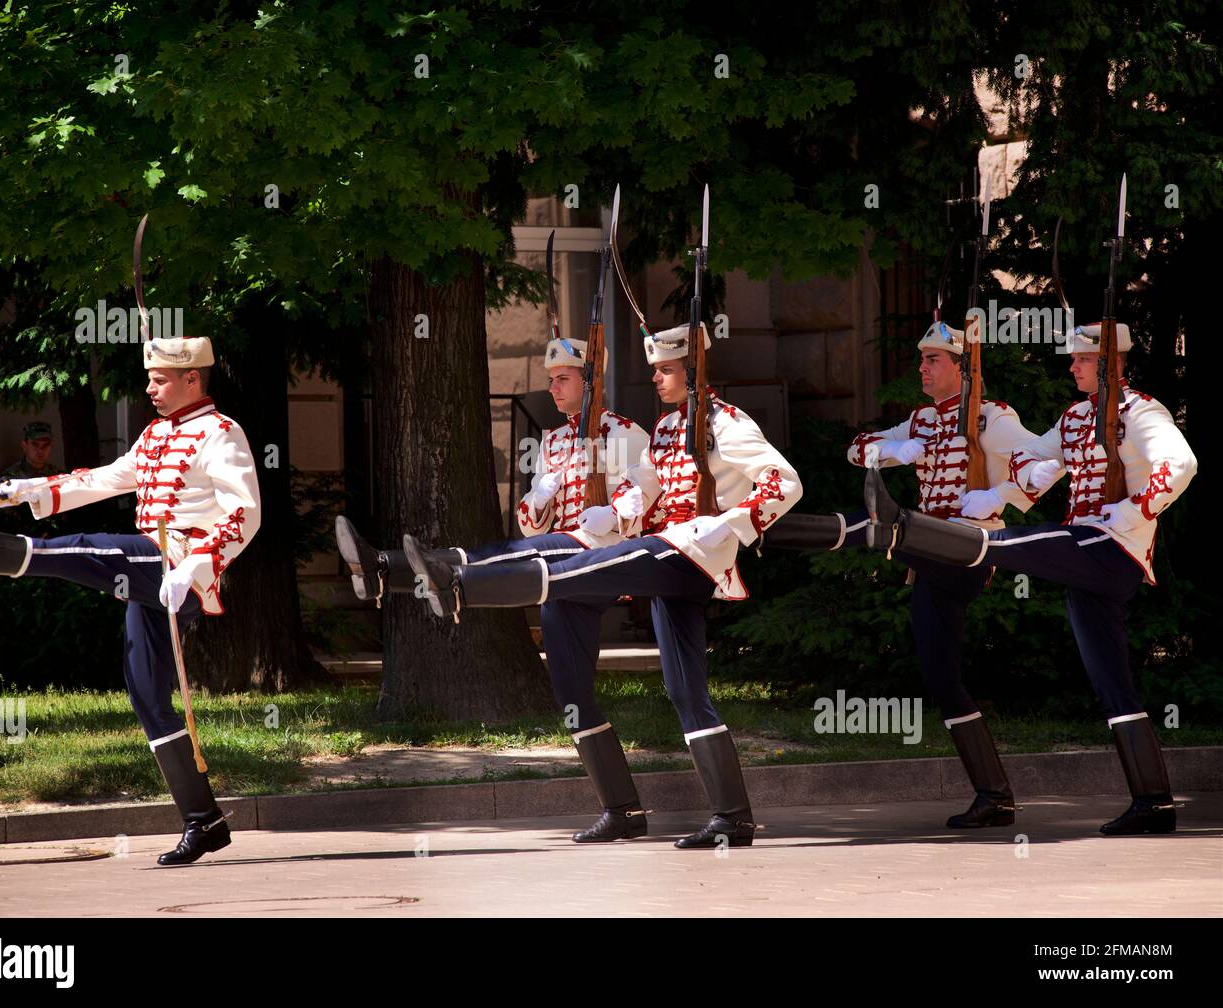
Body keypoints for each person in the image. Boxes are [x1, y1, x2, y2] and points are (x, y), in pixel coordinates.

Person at [401, 323, 802, 848]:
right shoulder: (662, 429)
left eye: (665, 369)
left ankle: (460, 587)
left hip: (694, 553)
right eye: (654, 368)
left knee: (578, 571)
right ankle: (730, 818)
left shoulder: (726, 422)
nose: (655, 377)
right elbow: (649, 490)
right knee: (686, 691)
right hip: (665, 555)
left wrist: (730, 524)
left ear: (694, 371)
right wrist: (622, 509)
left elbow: (784, 483)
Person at [0, 336, 260, 864]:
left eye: (160, 379)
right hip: (155, 574)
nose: (149, 387)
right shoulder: (155, 434)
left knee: (79, 552)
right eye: (149, 378)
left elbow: (245, 513)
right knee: (147, 693)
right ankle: (205, 820)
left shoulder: (222, 434)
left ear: (192, 378)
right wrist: (31, 490)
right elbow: (106, 479)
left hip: (178, 564)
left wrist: (198, 565)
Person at [862, 322, 1197, 835]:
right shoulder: (1076, 416)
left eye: (1082, 360)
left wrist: (1131, 512)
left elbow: (1179, 465)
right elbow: (1034, 454)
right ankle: (1154, 803)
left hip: (1114, 548)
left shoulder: (1141, 412)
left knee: (1020, 544)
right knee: (1112, 685)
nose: (1072, 366)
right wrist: (1012, 487)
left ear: (1108, 364)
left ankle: (908, 529)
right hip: (1086, 556)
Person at [336, 334, 652, 842]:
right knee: (572, 695)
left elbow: (649, 500)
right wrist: (542, 492)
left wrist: (614, 513)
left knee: (507, 556)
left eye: (563, 378)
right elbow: (530, 523)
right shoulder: (552, 441)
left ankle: (393, 569)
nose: (553, 387)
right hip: (553, 563)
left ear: (591, 380)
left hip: (597, 561)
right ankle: (624, 811)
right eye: (551, 379)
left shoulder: (627, 435)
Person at [763, 321, 1038, 828]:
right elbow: (856, 448)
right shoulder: (922, 420)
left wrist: (998, 498)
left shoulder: (991, 417)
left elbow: (1044, 460)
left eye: (934, 360)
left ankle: (815, 529)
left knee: (885, 529)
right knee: (941, 676)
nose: (923, 367)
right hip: (930, 553)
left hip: (970, 548)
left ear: (962, 367)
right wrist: (892, 451)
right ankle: (994, 795)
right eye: (922, 359)